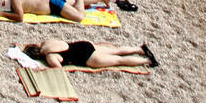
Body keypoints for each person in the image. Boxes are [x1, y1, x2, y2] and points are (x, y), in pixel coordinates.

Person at [23, 39, 158, 69]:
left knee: (118, 61)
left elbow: (58, 70)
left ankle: (147, 61)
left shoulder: (50, 56)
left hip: (87, 58)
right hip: (83, 45)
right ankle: (139, 49)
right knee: (116, 51)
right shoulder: (47, 42)